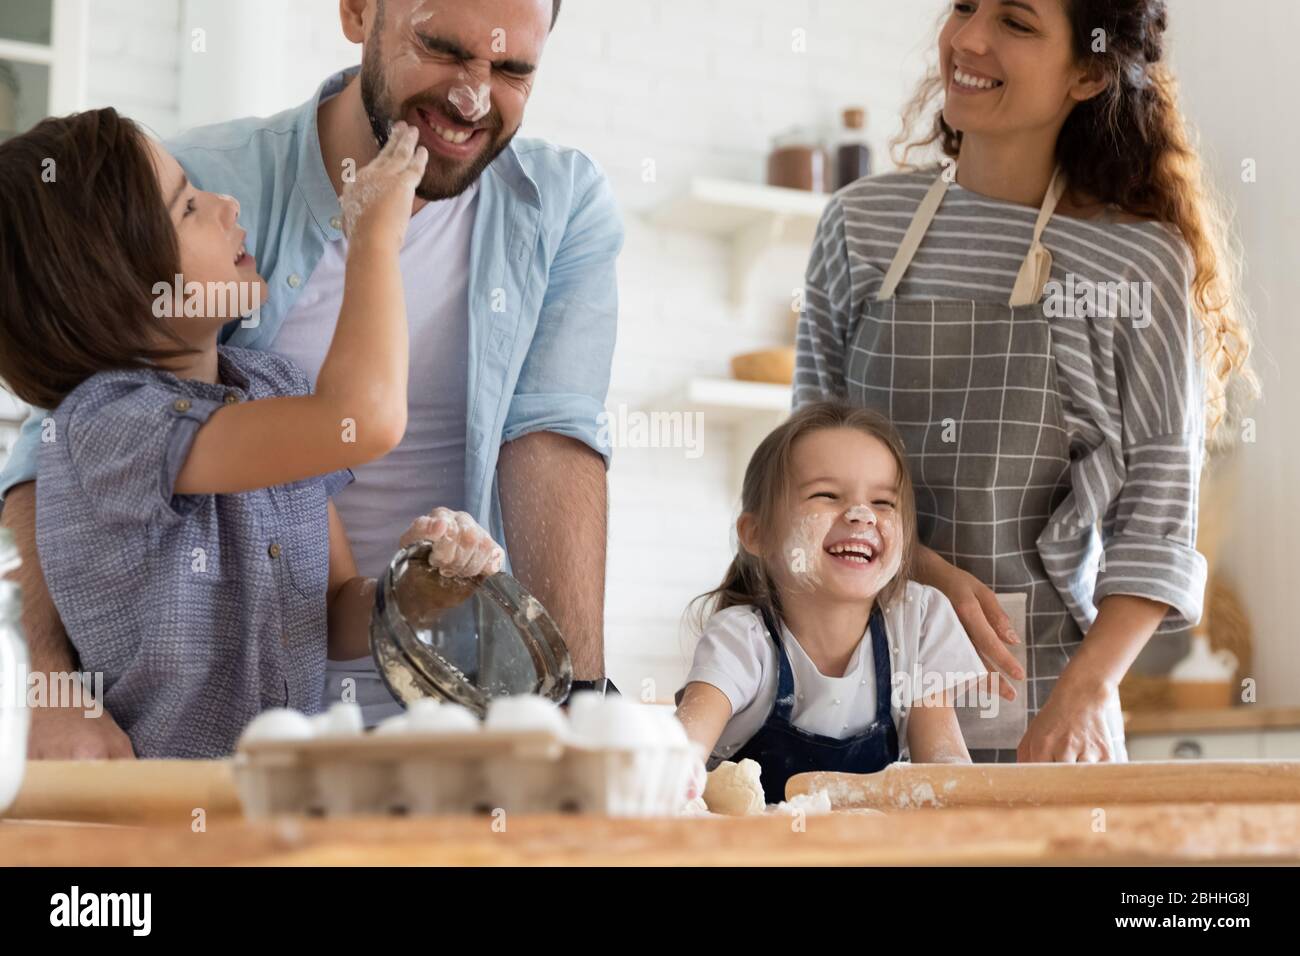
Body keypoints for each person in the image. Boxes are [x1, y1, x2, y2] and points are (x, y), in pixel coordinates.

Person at [0, 0, 622, 754]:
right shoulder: (112, 425)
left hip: (321, 769)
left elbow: (328, 604)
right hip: (173, 796)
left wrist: (419, 583)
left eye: (514, 68)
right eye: (441, 47)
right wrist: (374, 239)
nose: (471, 97)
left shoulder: (273, 386)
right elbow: (362, 418)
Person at [794, 0, 1257, 762]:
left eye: (1015, 21)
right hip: (851, 677)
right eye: (966, 7)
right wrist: (919, 567)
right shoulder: (857, 225)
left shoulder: (1136, 266)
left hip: (1041, 693)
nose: (969, 39)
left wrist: (1088, 692)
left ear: (1087, 71)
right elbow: (798, 473)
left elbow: (1157, 520)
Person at [676, 403, 985, 804]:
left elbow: (945, 774)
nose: (861, 516)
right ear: (757, 534)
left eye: (883, 503)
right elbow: (681, 752)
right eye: (826, 495)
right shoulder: (743, 640)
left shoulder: (919, 621)